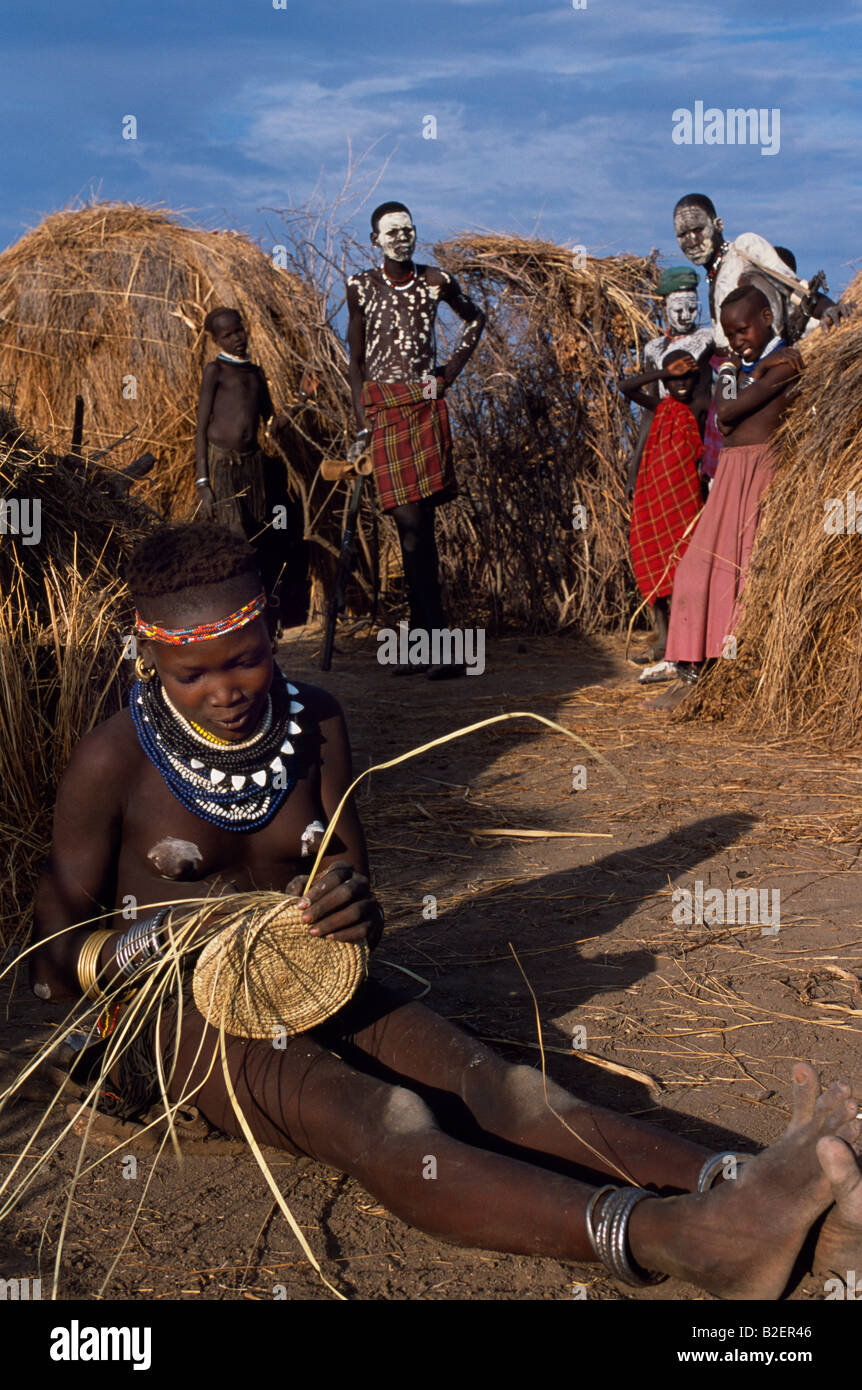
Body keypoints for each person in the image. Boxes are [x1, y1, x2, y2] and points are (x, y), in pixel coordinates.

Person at [28, 522, 862, 1298]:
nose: (227, 690)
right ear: (148, 657)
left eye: (245, 659)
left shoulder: (314, 719)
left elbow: (353, 880)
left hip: (317, 974)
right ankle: (682, 1238)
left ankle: (761, 1191)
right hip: (185, 1013)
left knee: (504, 1087)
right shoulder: (114, 761)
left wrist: (346, 908)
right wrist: (166, 940)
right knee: (389, 1124)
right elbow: (51, 962)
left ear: (273, 631)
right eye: (193, 674)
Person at [347, 202, 485, 678]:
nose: (402, 238)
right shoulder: (361, 287)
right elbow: (356, 360)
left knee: (418, 528)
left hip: (424, 405)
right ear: (375, 240)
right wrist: (361, 421)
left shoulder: (435, 281)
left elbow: (474, 320)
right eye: (391, 232)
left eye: (408, 230)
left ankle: (434, 645)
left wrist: (448, 373)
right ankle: (429, 642)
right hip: (383, 409)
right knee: (409, 529)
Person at [649, 286, 802, 709]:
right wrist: (735, 372)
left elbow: (730, 413)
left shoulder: (785, 364)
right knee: (697, 570)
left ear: (767, 318)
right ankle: (692, 668)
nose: (737, 341)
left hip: (762, 471)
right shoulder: (758, 366)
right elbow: (724, 412)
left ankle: (737, 672)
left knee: (746, 569)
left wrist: (732, 372)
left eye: (744, 329)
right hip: (732, 474)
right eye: (730, 335)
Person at [672, 194, 848, 484]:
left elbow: (794, 288)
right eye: (682, 234)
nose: (691, 240)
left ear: (718, 225)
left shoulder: (745, 248)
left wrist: (828, 309)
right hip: (737, 378)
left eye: (697, 230)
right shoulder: (713, 278)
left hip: (768, 372)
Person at [619, 351, 704, 682]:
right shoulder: (663, 406)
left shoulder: (699, 405)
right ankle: (665, 638)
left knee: (684, 565)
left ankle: (685, 646)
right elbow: (625, 387)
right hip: (654, 494)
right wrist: (661, 373)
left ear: (696, 378)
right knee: (651, 561)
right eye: (674, 379)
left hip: (684, 498)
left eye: (686, 376)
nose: (680, 383)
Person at [194, 307, 289, 541]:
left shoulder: (256, 373)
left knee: (255, 527)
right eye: (227, 335)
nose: (237, 338)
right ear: (216, 340)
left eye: (239, 331)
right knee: (235, 531)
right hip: (223, 461)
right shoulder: (215, 371)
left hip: (252, 463)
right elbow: (201, 428)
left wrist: (303, 399)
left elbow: (271, 426)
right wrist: (203, 482)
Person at [625, 267, 713, 512]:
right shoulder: (653, 349)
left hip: (699, 444)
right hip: (664, 449)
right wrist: (635, 470)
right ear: (665, 308)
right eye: (678, 310)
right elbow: (648, 412)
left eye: (693, 308)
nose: (686, 316)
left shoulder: (708, 340)